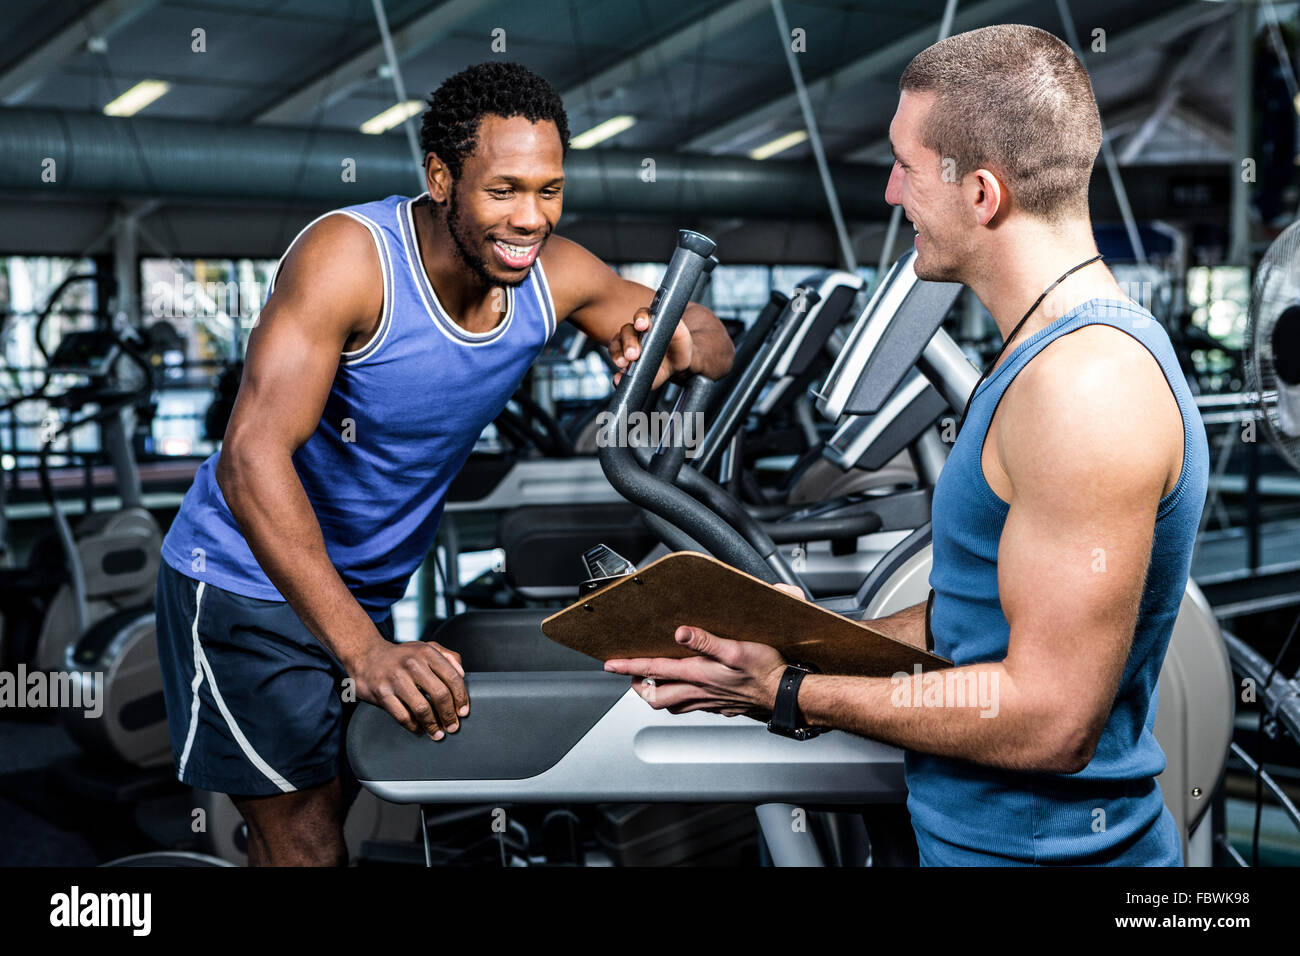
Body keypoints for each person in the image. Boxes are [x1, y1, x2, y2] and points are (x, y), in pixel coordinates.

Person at [606, 24, 1210, 866]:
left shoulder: (1086, 387)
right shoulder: (1042, 357)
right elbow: (978, 615)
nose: (891, 194)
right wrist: (806, 643)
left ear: (982, 193)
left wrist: (790, 693)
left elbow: (1052, 719)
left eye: (907, 167)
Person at [154, 61, 733, 866]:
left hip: (360, 586)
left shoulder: (553, 276)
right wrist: (365, 651)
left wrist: (673, 334)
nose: (531, 218)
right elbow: (250, 459)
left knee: (333, 812)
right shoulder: (351, 261)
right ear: (439, 178)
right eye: (504, 190)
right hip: (246, 584)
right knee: (306, 836)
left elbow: (712, 337)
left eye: (549, 190)